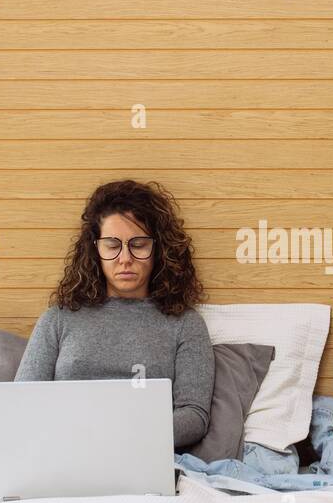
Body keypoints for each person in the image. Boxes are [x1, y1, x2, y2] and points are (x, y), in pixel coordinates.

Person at [14, 180, 214, 448]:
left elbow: (194, 415)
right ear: (95, 250)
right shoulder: (58, 319)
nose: (125, 258)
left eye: (139, 244)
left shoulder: (185, 324)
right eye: (112, 245)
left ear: (158, 250)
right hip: (63, 451)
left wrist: (126, 436)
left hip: (142, 453)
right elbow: (21, 405)